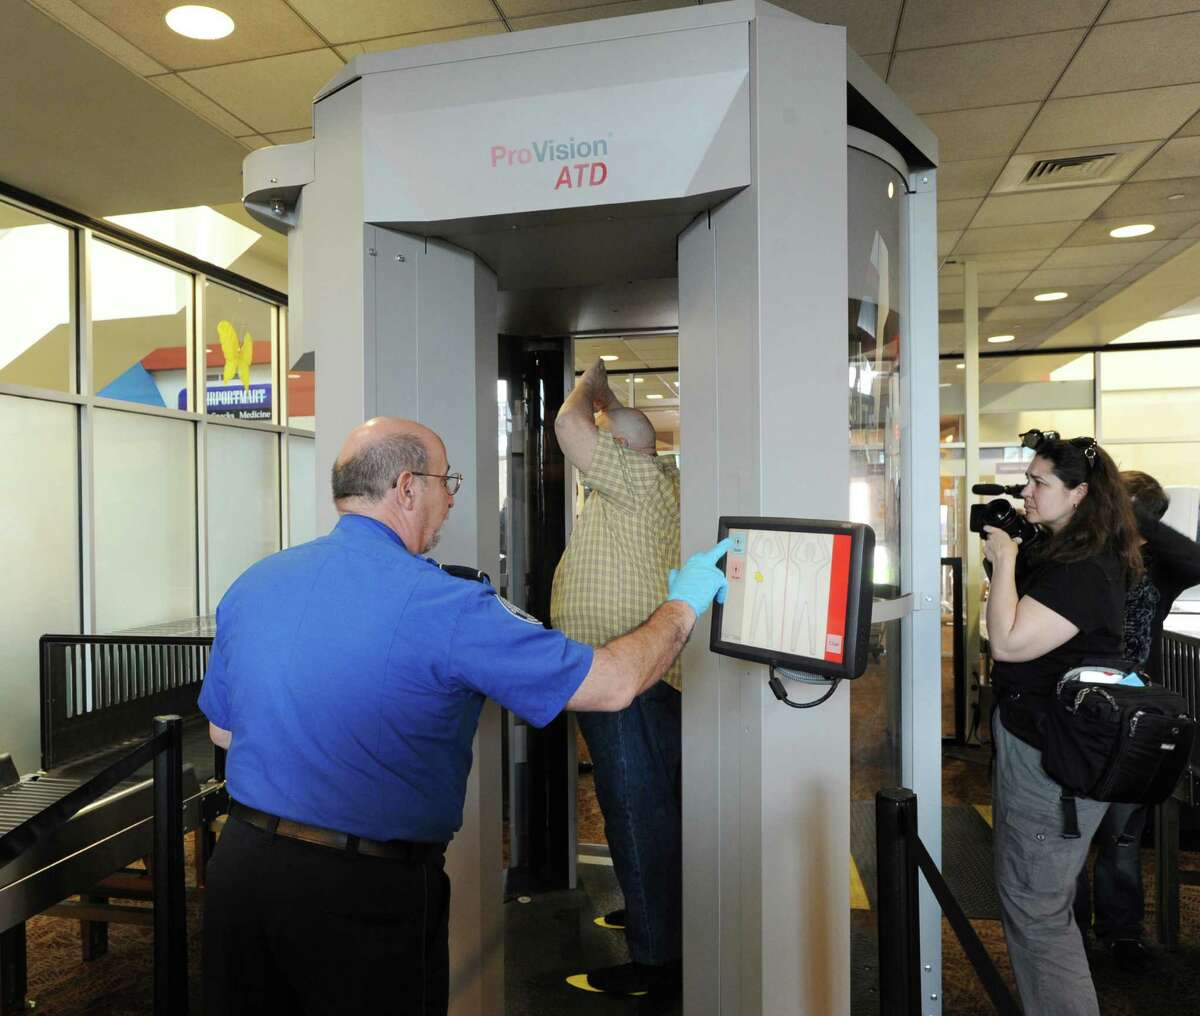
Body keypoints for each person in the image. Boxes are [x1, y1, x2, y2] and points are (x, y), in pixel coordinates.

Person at [199, 416, 728, 1016]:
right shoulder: (447, 604)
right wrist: (684, 604)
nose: (452, 498)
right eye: (445, 481)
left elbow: (224, 730)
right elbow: (613, 684)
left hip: (242, 871)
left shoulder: (256, 582)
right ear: (407, 488)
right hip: (362, 897)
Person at [983, 430, 1143, 1016]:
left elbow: (1006, 642)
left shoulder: (1082, 570)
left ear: (1079, 494)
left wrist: (1005, 559)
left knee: (1037, 910)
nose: (1026, 492)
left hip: (1052, 762)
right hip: (1044, 745)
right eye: (1027, 480)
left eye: (1039, 483)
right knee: (1036, 902)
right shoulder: (1070, 556)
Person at [550, 359, 683, 996]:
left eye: (606, 442)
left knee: (634, 811)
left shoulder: (636, 476)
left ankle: (654, 960)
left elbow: (566, 424)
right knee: (651, 805)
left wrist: (596, 389)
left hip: (624, 683)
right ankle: (657, 917)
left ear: (623, 451)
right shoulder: (645, 486)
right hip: (633, 677)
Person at [1073, 470, 1200, 970]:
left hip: (1136, 721)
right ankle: (1072, 932)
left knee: (1122, 835)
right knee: (1072, 834)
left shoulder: (1159, 567)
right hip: (1079, 713)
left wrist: (1135, 517)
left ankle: (1122, 933)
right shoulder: (1082, 556)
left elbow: (1194, 561)